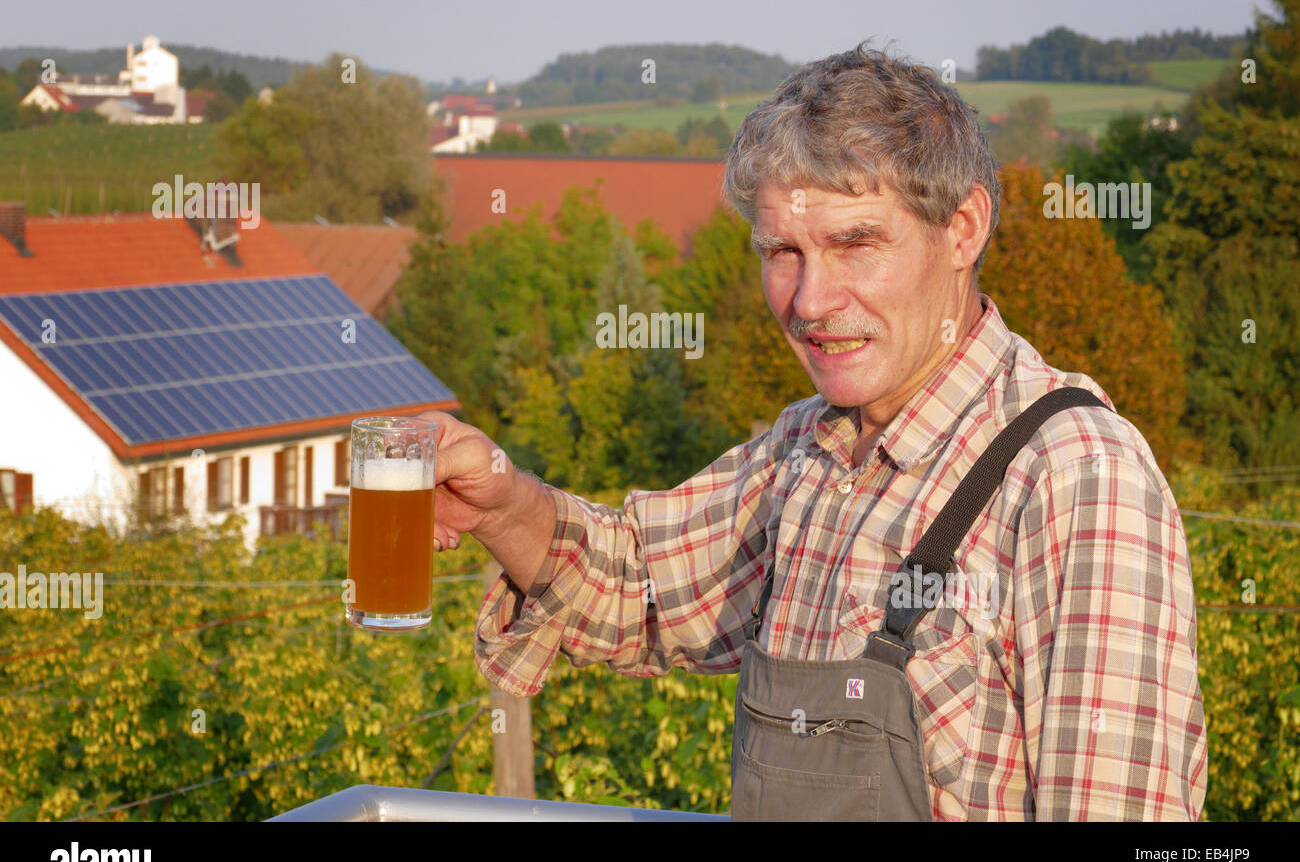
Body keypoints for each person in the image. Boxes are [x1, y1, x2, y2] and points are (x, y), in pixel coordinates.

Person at [421, 41, 1207, 821]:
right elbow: (640, 588)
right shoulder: (808, 449)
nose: (813, 299)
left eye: (855, 242)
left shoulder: (1076, 478)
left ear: (963, 228)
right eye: (783, 252)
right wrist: (501, 507)